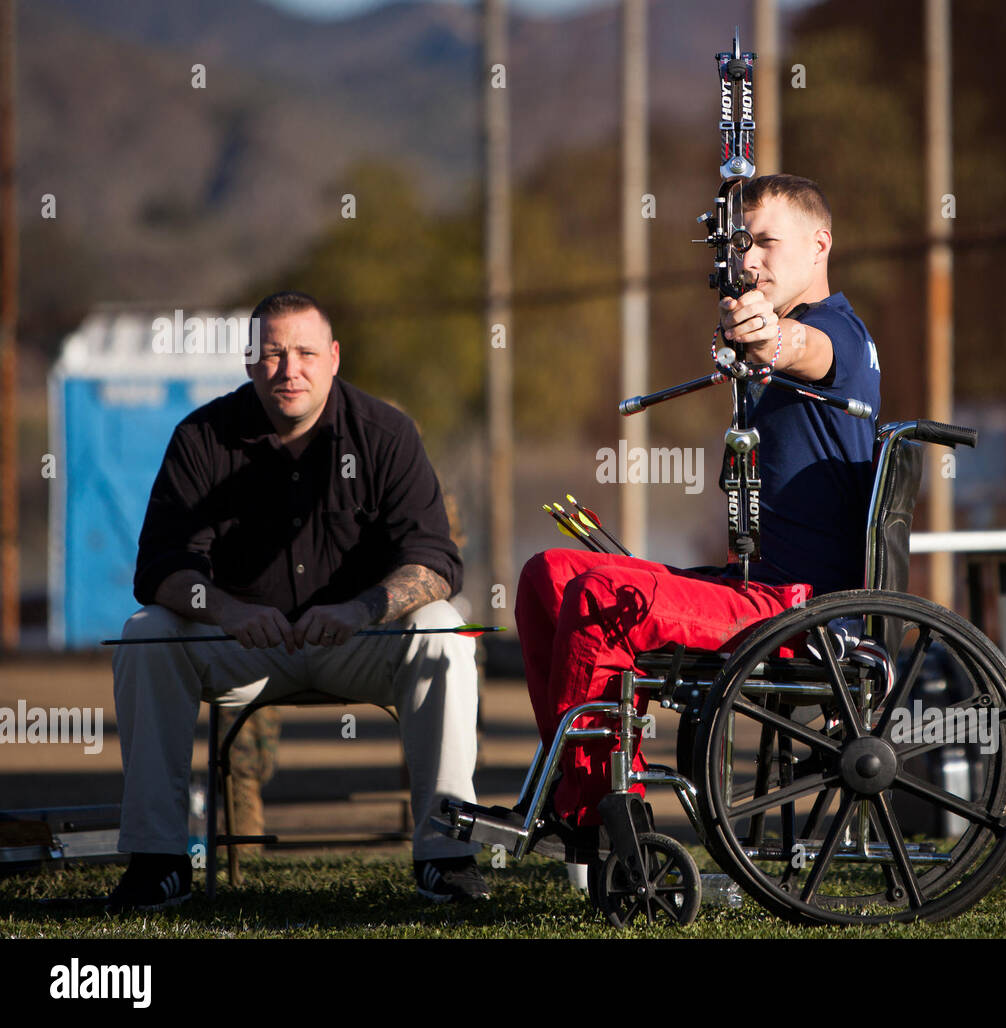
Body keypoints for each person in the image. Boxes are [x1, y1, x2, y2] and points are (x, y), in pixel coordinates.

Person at [515, 174, 881, 831]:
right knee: (552, 574)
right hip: (753, 591)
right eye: (740, 245)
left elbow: (803, 350)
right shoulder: (801, 335)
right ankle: (575, 778)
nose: (748, 260)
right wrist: (758, 340)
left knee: (601, 596)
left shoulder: (839, 337)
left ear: (819, 244)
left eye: (767, 242)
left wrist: (767, 337)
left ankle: (599, 818)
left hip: (798, 613)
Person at [107, 290, 486, 911]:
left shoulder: (386, 434)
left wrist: (362, 610)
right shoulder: (202, 438)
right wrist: (228, 611)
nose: (291, 370)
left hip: (359, 641)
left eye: (306, 353)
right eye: (275, 354)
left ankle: (446, 860)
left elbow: (438, 562)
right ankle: (157, 863)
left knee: (445, 626)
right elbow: (160, 567)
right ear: (250, 360)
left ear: (334, 357)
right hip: (241, 646)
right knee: (146, 631)